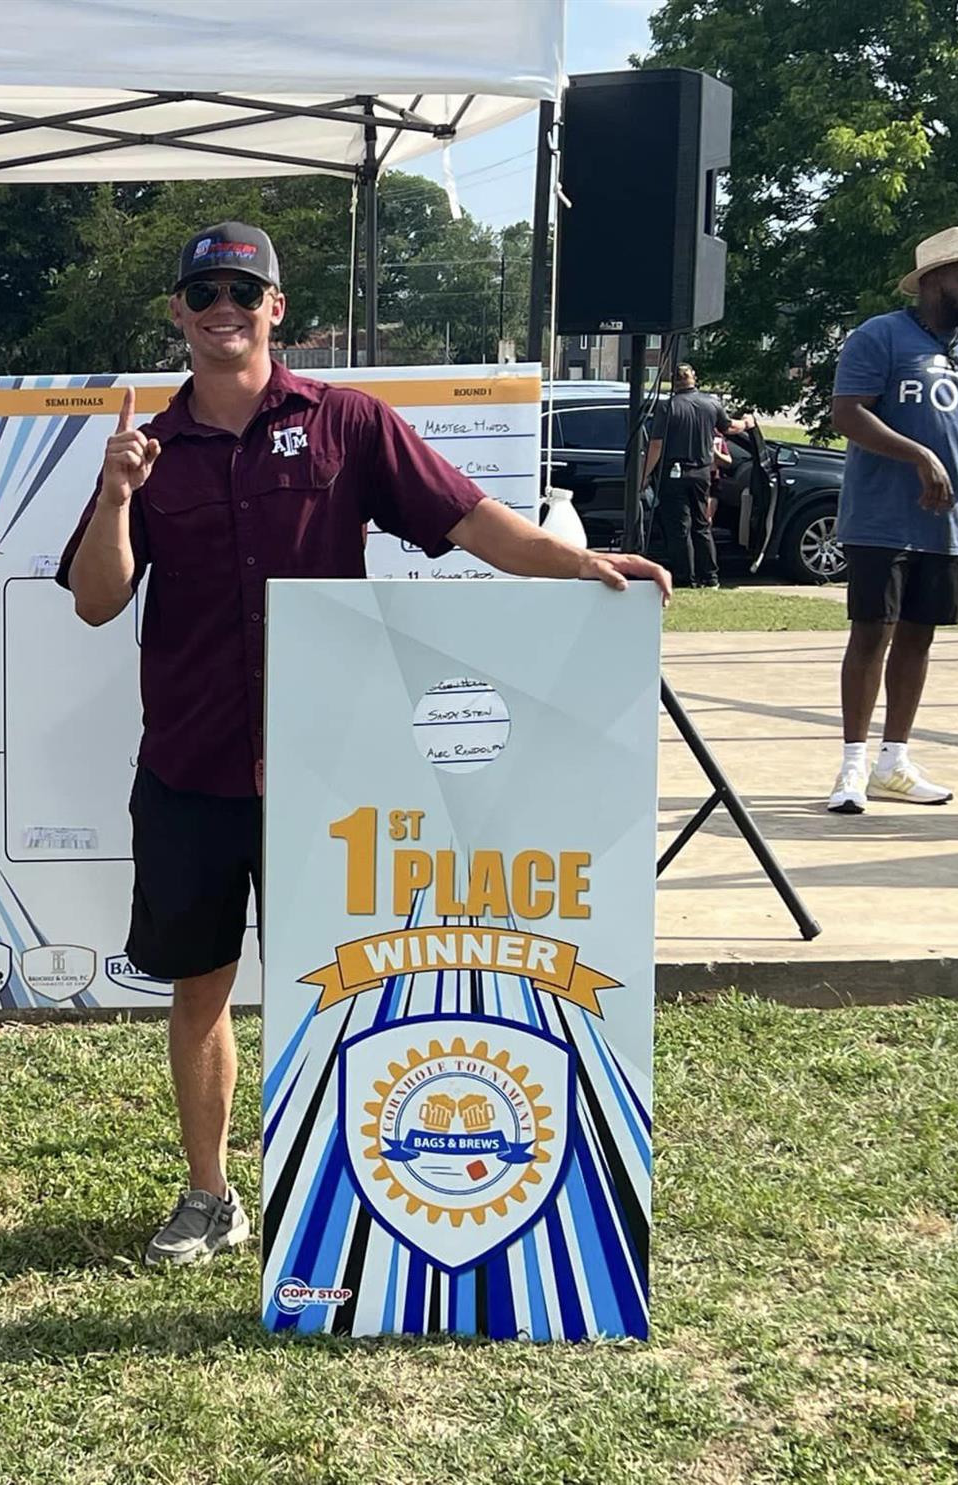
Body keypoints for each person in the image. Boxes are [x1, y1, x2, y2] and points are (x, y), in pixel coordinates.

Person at [56, 221, 671, 1267]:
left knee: (343, 978)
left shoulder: (348, 425)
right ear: (178, 314)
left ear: (275, 310)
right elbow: (95, 601)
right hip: (192, 767)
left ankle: (333, 1174)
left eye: (243, 293)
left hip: (331, 769)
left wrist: (577, 564)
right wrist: (117, 492)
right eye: (204, 292)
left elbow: (475, 523)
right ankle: (209, 1196)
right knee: (198, 986)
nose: (224, 309)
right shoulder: (148, 450)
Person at [825, 226, 958, 813]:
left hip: (947, 524)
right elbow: (846, 414)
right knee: (871, 633)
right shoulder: (881, 335)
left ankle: (893, 762)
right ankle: (852, 765)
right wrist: (920, 455)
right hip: (882, 517)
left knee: (918, 637)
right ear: (933, 282)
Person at [639, 362, 733, 589]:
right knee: (701, 525)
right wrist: (748, 423)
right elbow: (728, 428)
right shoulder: (712, 403)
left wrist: (644, 476)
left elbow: (656, 446)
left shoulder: (667, 407)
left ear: (674, 381)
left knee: (680, 528)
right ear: (694, 378)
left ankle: (685, 577)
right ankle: (710, 577)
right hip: (702, 474)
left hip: (674, 475)